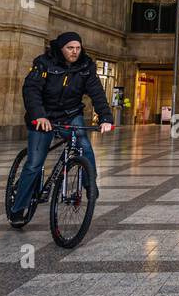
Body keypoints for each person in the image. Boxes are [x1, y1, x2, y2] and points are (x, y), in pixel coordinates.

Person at [11, 31, 114, 218]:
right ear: (61, 48)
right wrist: (39, 116)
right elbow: (31, 90)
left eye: (77, 48)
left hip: (70, 114)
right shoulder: (44, 62)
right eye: (70, 48)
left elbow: (97, 92)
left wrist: (105, 117)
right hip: (44, 116)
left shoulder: (86, 66)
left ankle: (89, 183)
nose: (74, 52)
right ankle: (18, 209)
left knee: (84, 145)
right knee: (34, 164)